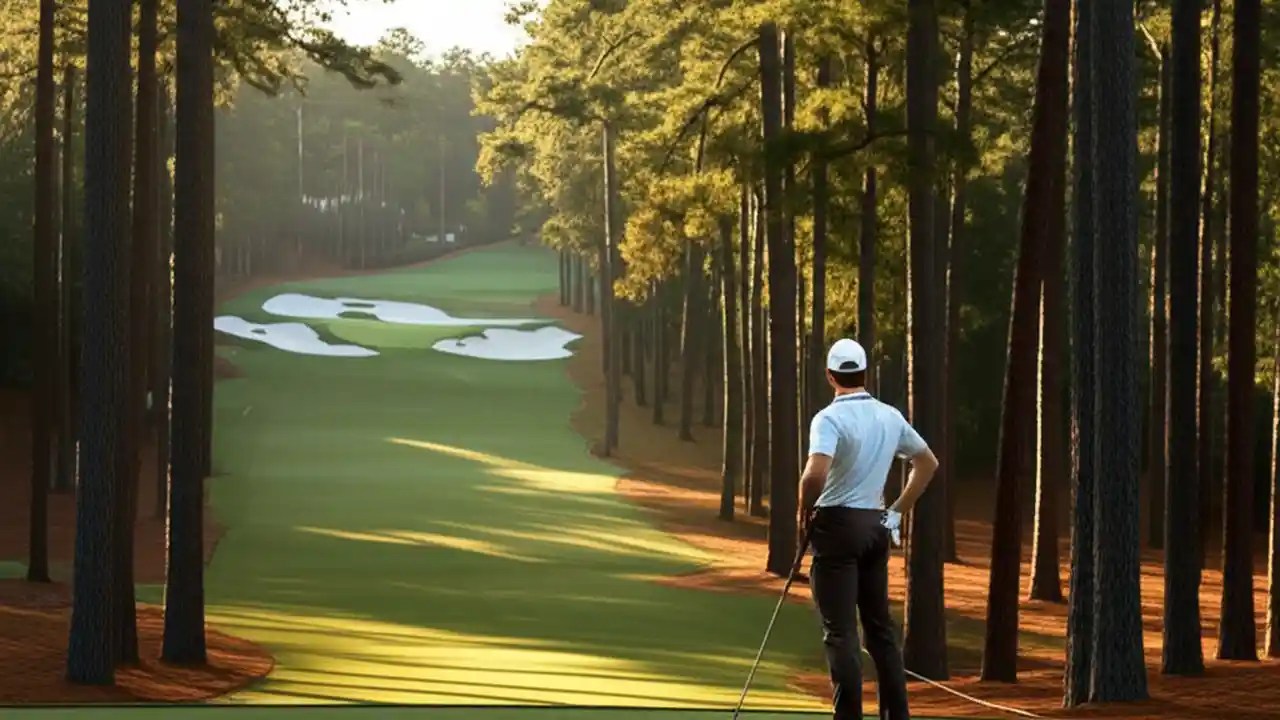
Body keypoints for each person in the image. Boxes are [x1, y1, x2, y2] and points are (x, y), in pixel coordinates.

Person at [797, 338, 940, 720]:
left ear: (830, 376)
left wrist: (803, 510)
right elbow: (927, 463)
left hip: (837, 529)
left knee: (841, 633)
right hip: (875, 529)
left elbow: (815, 476)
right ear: (865, 373)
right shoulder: (890, 416)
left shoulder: (828, 419)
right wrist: (897, 511)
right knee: (880, 632)